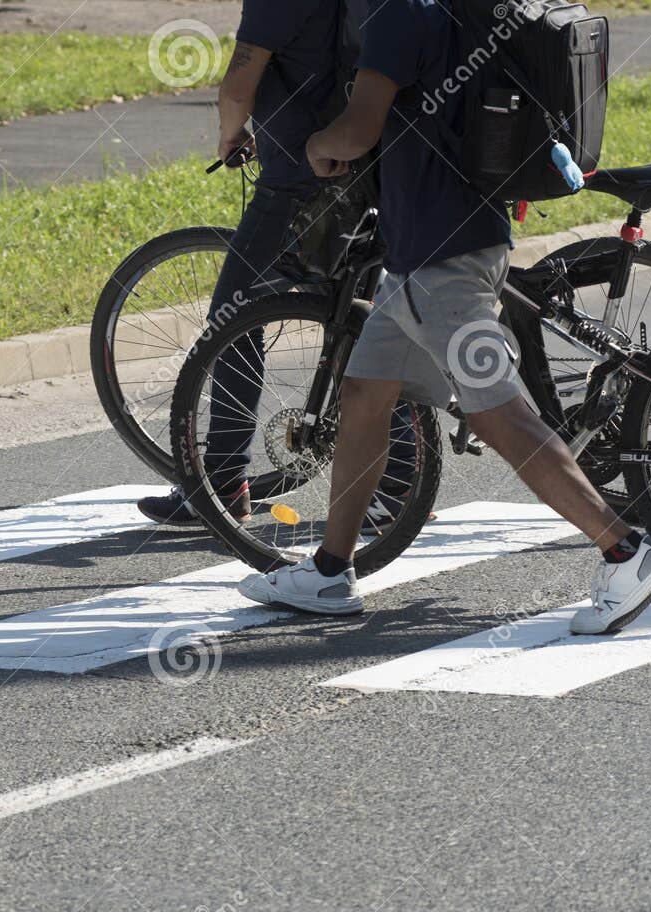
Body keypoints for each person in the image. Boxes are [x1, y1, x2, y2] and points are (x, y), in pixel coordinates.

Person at [236, 0, 651, 636]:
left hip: (441, 261)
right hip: (431, 254)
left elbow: (359, 131)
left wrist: (311, 145)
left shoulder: (397, 16)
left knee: (497, 413)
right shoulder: (454, 8)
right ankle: (331, 571)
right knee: (365, 393)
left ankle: (625, 550)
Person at [138, 1, 415, 533]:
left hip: (294, 181)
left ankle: (221, 484)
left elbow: (240, 84)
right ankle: (399, 480)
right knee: (354, 324)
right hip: (361, 169)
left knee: (232, 319)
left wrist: (229, 132)